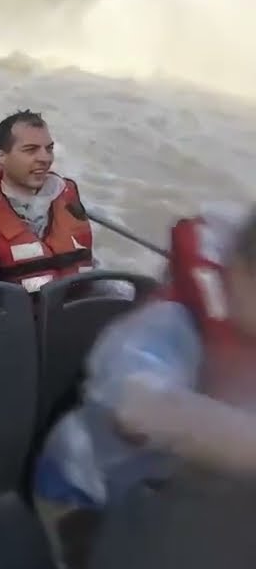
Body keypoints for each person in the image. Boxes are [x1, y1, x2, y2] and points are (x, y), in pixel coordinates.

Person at [35, 206, 256, 569]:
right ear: (242, 272)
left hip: (184, 505)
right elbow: (137, 409)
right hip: (87, 494)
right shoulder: (166, 327)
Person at [0, 110, 93, 293]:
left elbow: (90, 267)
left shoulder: (68, 200)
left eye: (49, 149)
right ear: (1, 156)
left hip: (83, 308)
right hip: (18, 316)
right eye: (31, 150)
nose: (45, 158)